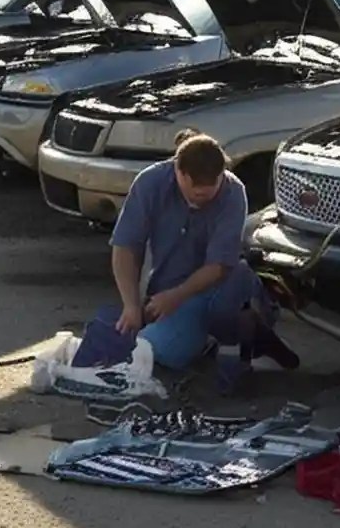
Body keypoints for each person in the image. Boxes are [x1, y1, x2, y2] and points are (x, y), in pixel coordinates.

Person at [109, 129, 298, 392]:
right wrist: (131, 305)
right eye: (195, 192)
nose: (203, 196)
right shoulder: (149, 183)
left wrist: (176, 296)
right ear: (179, 171)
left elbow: (219, 266)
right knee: (159, 352)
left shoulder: (233, 193)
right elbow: (125, 247)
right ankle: (213, 340)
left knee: (233, 287)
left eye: (211, 190)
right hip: (167, 293)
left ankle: (243, 335)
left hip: (216, 285)